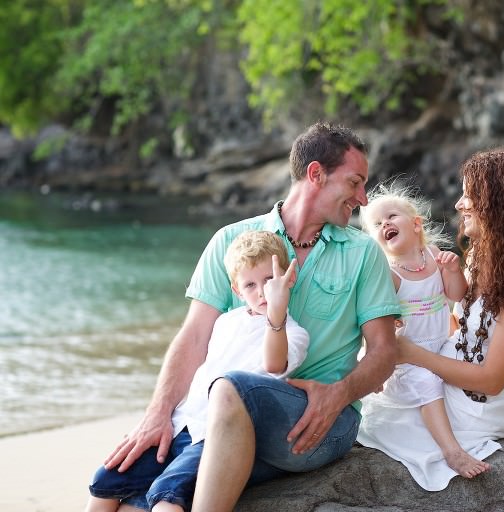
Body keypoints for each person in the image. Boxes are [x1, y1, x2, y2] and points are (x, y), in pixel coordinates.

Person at [97, 122, 401, 512]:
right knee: (126, 494)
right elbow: (194, 337)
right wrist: (156, 416)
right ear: (315, 174)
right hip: (221, 423)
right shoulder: (231, 241)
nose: (363, 198)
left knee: (229, 388)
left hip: (318, 424)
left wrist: (339, 394)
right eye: (355, 182)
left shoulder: (363, 253)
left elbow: (384, 352)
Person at [357, 148, 504, 491]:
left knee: (365, 417)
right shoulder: (479, 260)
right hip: (443, 378)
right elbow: (460, 327)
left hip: (474, 412)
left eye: (469, 196)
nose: (458, 204)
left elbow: (491, 380)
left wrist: (412, 354)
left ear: (498, 204)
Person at [87, 230, 309, 510]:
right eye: (250, 285)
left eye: (269, 280)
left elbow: (274, 364)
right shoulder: (225, 322)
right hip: (182, 423)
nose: (262, 291)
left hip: (213, 436)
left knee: (165, 495)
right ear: (237, 291)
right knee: (105, 480)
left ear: (289, 278)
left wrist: (276, 313)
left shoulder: (293, 333)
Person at [357, 183, 490, 479]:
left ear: (416, 223)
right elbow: (373, 327)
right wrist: (373, 367)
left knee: (465, 362)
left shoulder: (433, 256)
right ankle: (452, 451)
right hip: (405, 360)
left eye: (391, 216)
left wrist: (453, 270)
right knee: (429, 380)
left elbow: (456, 295)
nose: (385, 224)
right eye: (377, 224)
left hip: (440, 346)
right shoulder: (389, 277)